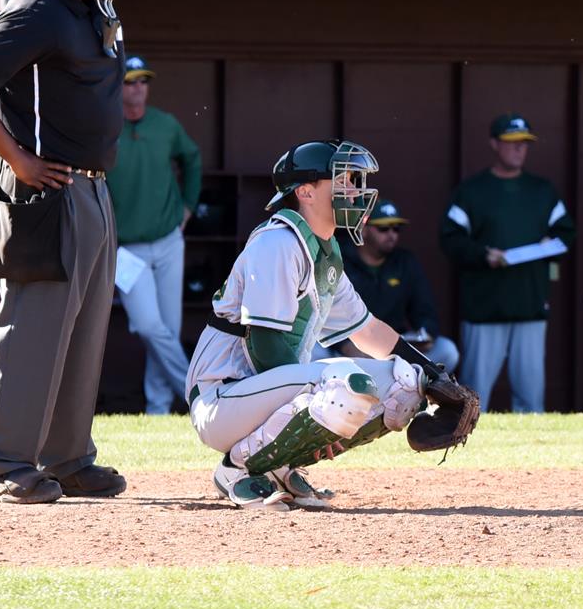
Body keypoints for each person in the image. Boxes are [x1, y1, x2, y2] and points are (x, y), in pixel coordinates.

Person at [0, 0, 133, 504]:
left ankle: (67, 458)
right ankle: (0, 464)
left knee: (82, 332)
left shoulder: (93, 9)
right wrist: (17, 160)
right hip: (44, 191)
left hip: (93, 190)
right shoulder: (36, 9)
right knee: (32, 328)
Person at [185, 139, 471, 509]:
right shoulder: (277, 242)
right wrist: (314, 410)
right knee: (344, 387)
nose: (353, 190)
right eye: (343, 180)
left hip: (263, 391)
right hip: (222, 400)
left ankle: (278, 466)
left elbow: (368, 331)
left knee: (404, 384)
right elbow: (266, 346)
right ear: (305, 191)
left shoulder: (323, 251)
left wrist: (431, 375)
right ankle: (238, 468)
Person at [441, 113, 576, 413]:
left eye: (524, 143)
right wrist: (483, 255)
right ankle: (472, 448)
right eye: (512, 142)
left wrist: (548, 246)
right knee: (475, 397)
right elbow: (450, 238)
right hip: (485, 309)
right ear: (494, 144)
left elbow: (566, 233)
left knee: (531, 397)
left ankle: (529, 453)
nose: (519, 149)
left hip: (529, 304)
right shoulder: (473, 191)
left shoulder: (542, 190)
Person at [109, 54, 201, 414]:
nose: (138, 88)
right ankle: (197, 395)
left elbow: (192, 159)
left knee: (167, 330)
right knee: (150, 327)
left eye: (143, 81)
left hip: (167, 240)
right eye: (131, 81)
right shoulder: (105, 126)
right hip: (123, 249)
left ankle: (158, 408)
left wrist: (188, 207)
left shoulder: (166, 124)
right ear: (118, 86)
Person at [341, 198, 460, 374]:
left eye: (396, 228)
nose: (392, 234)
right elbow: (327, 316)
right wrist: (344, 344)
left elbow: (425, 310)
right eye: (383, 228)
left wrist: (426, 334)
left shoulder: (405, 262)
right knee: (315, 352)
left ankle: (411, 396)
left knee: (447, 350)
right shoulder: (341, 260)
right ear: (363, 230)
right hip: (350, 344)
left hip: (393, 344)